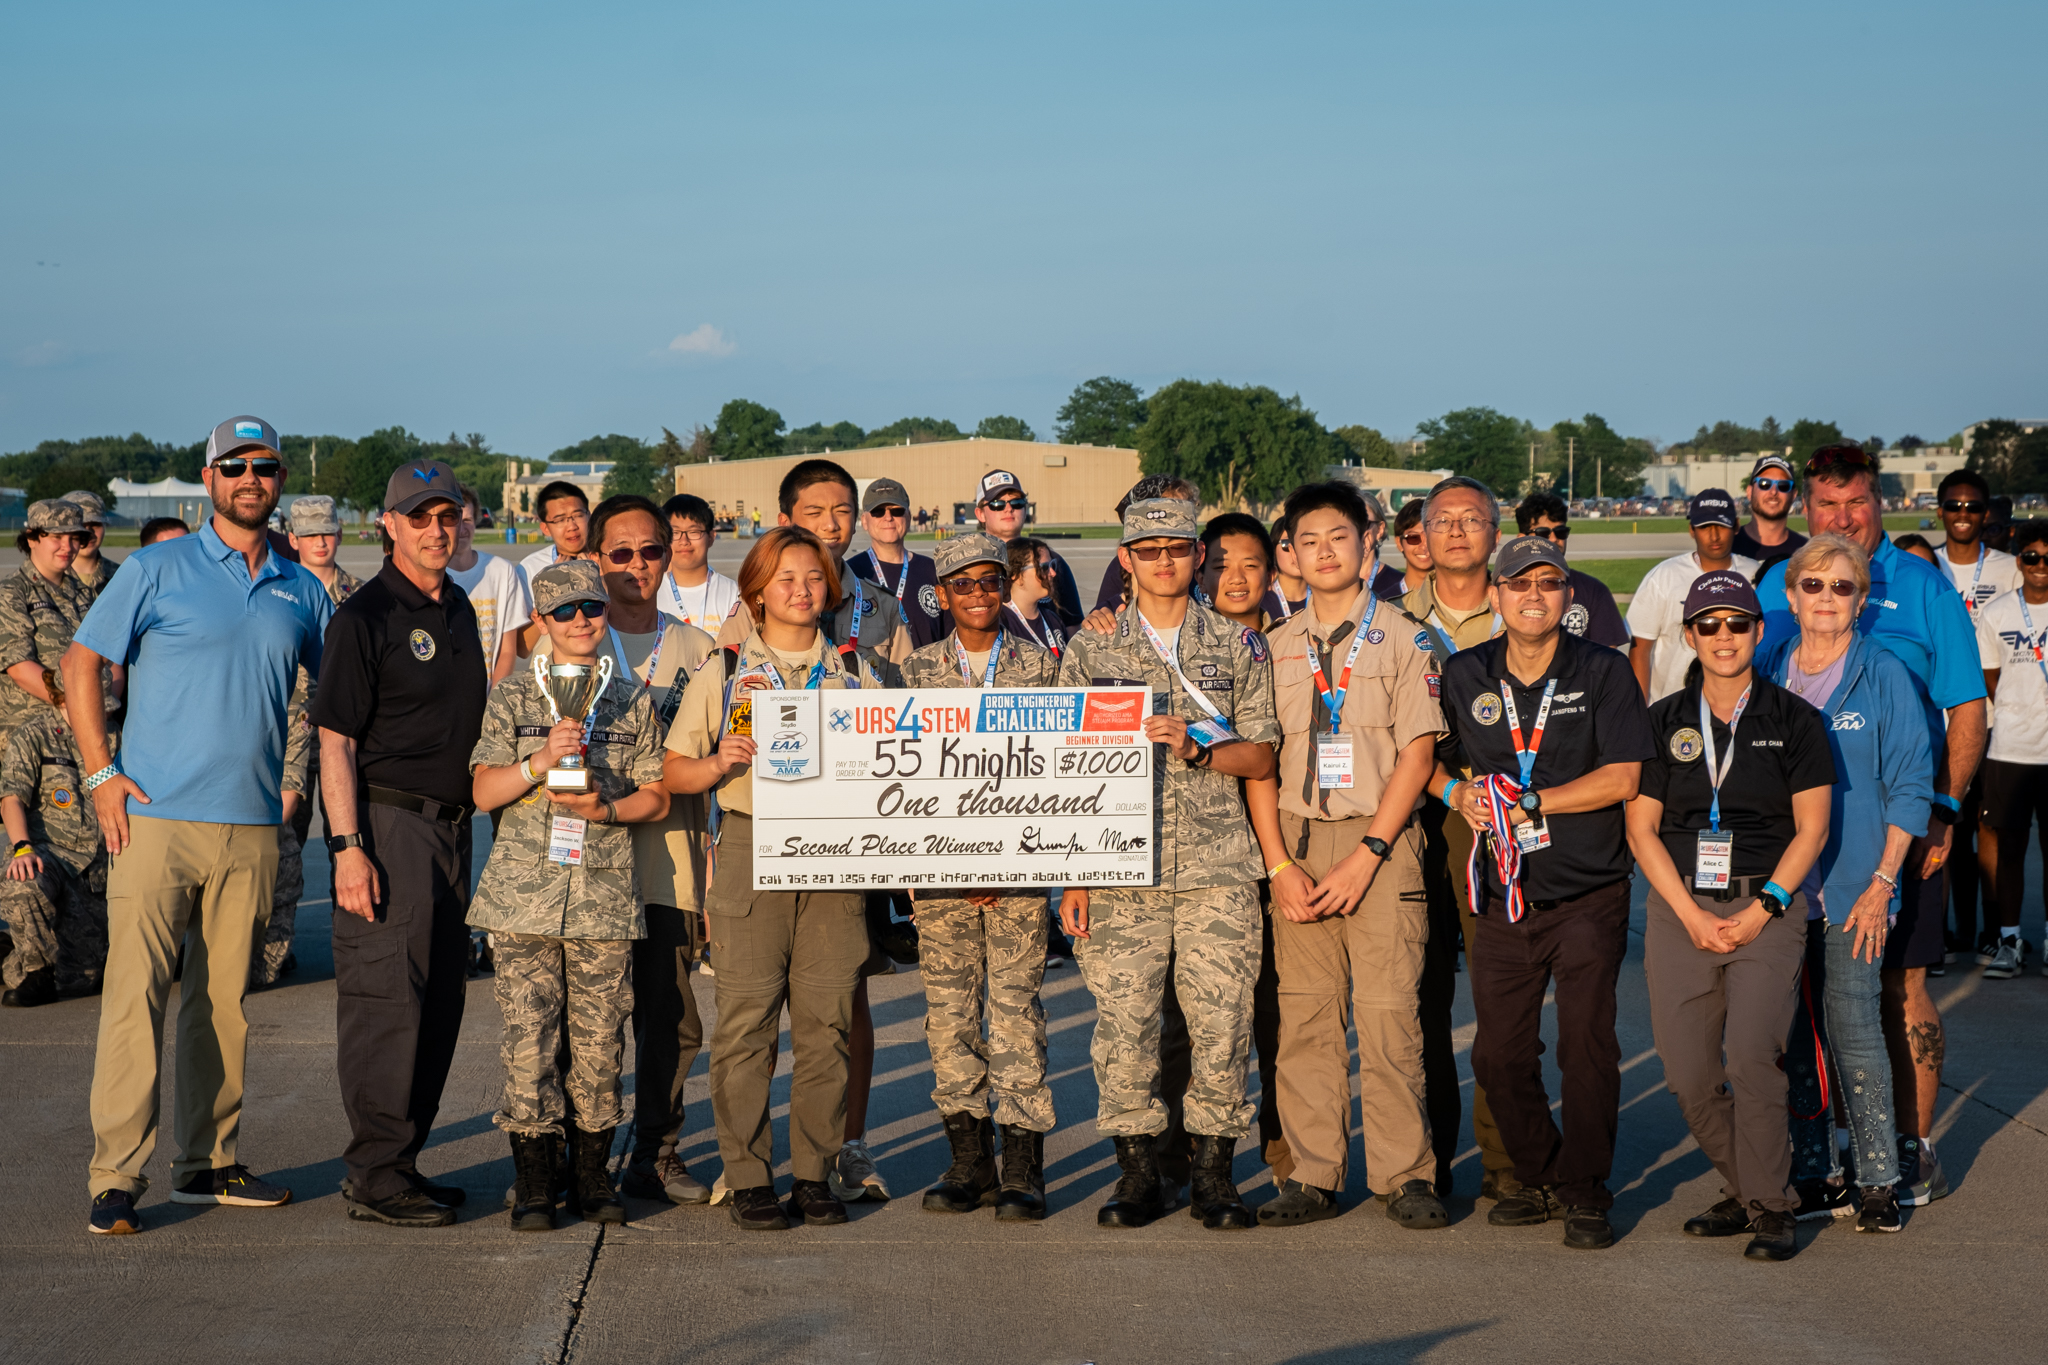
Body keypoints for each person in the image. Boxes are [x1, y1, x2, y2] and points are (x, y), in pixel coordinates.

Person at [67, 414, 332, 1237]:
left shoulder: (304, 587)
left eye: (266, 466)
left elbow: (342, 697)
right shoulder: (156, 567)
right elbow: (81, 663)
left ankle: (206, 1163)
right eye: (236, 465)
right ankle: (116, 1175)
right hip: (152, 820)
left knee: (222, 1005)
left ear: (280, 479)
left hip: (251, 826)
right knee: (135, 996)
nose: (252, 478)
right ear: (210, 475)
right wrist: (102, 773)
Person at [1755, 445, 1984, 1210]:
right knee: (1805, 1009)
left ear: (1877, 504)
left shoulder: (1920, 587)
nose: (1843, 519)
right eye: (1828, 506)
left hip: (1899, 832)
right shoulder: (1777, 598)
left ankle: (1906, 1151)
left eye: (1856, 504)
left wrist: (1943, 812)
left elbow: (1965, 710)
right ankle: (1828, 1154)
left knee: (1900, 988)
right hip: (1794, 854)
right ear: (1806, 509)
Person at [1056, 499, 1280, 1232]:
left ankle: (1215, 1173)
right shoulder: (1091, 647)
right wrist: (1076, 874)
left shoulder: (1239, 644)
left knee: (1222, 1025)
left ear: (1198, 556)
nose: (1163, 561)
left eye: (1177, 548)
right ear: (1125, 557)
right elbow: (1067, 765)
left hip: (1218, 869)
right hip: (1122, 871)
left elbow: (1264, 752)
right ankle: (1137, 1173)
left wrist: (1197, 747)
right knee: (1125, 1027)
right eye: (1146, 549)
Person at [1431, 534, 1655, 1250]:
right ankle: (1540, 1170)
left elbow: (1624, 777)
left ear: (1567, 596)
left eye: (1549, 585)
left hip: (1588, 891)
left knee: (1585, 1047)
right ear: (1495, 595)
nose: (1534, 596)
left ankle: (1586, 1190)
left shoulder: (1604, 671)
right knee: (1498, 1054)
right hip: (1501, 893)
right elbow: (1429, 763)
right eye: (1519, 584)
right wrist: (1459, 791)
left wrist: (1532, 801)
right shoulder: (1464, 672)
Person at [664, 526, 890, 1232]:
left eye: (815, 578)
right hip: (751, 851)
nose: (801, 589)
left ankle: (815, 1174)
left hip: (834, 856)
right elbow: (674, 769)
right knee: (746, 1028)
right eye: (785, 578)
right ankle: (749, 1175)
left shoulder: (858, 671)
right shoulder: (725, 668)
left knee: (826, 1026)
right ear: (756, 592)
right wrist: (716, 764)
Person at [1251, 483, 1448, 1230]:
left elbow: (1419, 749)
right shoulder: (1271, 648)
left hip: (1382, 840)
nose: (1325, 551)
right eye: (1309, 539)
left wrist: (1369, 851)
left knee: (1391, 1014)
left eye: (1340, 535)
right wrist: (1278, 864)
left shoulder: (1405, 637)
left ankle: (1405, 1173)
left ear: (1370, 543)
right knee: (1304, 1017)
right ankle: (1311, 1172)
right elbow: (1261, 762)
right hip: (1297, 844)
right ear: (1290, 554)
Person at [1628, 570, 1834, 1262]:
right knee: (1687, 1072)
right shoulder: (1661, 721)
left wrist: (1764, 908)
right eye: (1708, 625)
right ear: (1688, 635)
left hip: (1766, 908)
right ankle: (1752, 1185)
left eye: (1737, 623)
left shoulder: (1795, 719)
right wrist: (1687, 912)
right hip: (1679, 908)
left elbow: (1811, 829)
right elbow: (1642, 828)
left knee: (1751, 1057)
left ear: (1758, 631)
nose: (1724, 637)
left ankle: (1772, 1208)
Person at [468, 560, 671, 1231]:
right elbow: (481, 791)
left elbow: (658, 792)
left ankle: (591, 1176)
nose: (582, 620)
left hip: (603, 895)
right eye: (565, 611)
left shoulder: (630, 698)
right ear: (543, 622)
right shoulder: (513, 697)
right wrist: (535, 765)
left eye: (592, 607)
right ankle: (532, 1182)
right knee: (529, 1041)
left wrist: (607, 811)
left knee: (599, 1042)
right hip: (523, 899)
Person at [313, 459, 489, 1229]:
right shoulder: (365, 617)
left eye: (446, 514)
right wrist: (349, 847)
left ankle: (404, 1160)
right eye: (419, 516)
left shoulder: (459, 610)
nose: (436, 529)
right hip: (388, 829)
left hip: (454, 830)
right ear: (388, 524)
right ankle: (375, 1173)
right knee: (388, 1003)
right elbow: (334, 742)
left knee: (441, 1002)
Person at [1760, 533, 1928, 1234]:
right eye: (1814, 585)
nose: (1827, 599)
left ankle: (1879, 1176)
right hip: (1784, 888)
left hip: (1856, 886)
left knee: (1855, 1028)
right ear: (1792, 594)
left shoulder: (1884, 672)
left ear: (1862, 599)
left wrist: (1883, 882)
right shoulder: (1769, 666)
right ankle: (1811, 1170)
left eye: (1843, 587)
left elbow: (1911, 784)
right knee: (1792, 1037)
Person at [900, 532, 1061, 1220]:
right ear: (942, 595)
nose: (977, 596)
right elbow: (898, 776)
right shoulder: (915, 673)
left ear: (1004, 586)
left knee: (1017, 1016)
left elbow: (1061, 773)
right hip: (939, 882)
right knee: (949, 1019)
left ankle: (1023, 1165)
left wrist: (1017, 861)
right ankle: (970, 1160)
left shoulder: (1042, 667)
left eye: (990, 583)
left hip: (1019, 878)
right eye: (962, 585)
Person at [573, 495, 720, 1208]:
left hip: (669, 863)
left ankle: (657, 1152)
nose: (636, 565)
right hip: (585, 867)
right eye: (620, 553)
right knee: (586, 1020)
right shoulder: (569, 641)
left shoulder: (699, 651)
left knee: (671, 1019)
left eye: (650, 551)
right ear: (595, 558)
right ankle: (581, 1156)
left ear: (673, 553)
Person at [1398, 475, 1515, 1199]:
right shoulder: (1393, 618)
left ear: (1493, 533)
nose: (1458, 532)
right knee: (1423, 996)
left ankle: (1507, 1164)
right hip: (1421, 813)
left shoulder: (1526, 609)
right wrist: (1446, 787)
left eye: (1473, 520)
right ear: (1422, 535)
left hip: (1508, 815)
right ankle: (1431, 1160)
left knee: (1504, 1000)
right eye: (1444, 521)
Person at [1929, 470, 2014, 966]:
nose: (1964, 515)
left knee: (1988, 829)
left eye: (1973, 507)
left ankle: (1987, 927)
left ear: (1987, 514)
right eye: (1954, 506)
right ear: (1939, 510)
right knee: (1947, 826)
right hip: (1942, 720)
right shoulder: (1926, 565)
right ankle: (1943, 931)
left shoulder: (2007, 567)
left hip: (1996, 721)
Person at [0, 668, 111, 1008]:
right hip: (53, 858)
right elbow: (11, 798)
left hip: (99, 871)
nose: (104, 712)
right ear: (69, 699)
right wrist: (22, 848)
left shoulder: (118, 736)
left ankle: (11, 952)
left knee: (82, 979)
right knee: (23, 880)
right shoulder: (34, 735)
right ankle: (35, 971)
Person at [1971, 521, 2048, 979]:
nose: (2041, 567)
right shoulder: (1997, 612)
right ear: (2020, 562)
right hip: (2010, 750)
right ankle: (2009, 938)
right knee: (2011, 850)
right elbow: (1991, 680)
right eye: (2033, 557)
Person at [0, 500, 115, 757]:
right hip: (33, 741)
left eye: (75, 538)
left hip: (91, 732)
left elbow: (112, 655)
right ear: (31, 539)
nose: (68, 546)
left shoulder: (86, 594)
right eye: (56, 537)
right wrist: (78, 706)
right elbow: (19, 667)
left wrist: (107, 707)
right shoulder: (12, 593)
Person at [1627, 489, 1761, 702]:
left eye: (1722, 526)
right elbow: (1640, 649)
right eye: (1705, 527)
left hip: (1739, 706)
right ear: (1691, 529)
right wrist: (1639, 713)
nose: (1714, 535)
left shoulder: (1755, 574)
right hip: (1671, 708)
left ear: (1735, 526)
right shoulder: (1664, 576)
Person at [1513, 491, 1629, 649]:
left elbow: (1606, 663)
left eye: (1560, 532)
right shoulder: (1507, 589)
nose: (1554, 539)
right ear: (1522, 539)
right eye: (1544, 533)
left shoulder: (1594, 591)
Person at [974, 469, 1082, 629]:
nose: (1008, 509)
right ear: (980, 514)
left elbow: (1072, 623)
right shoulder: (971, 564)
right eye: (997, 504)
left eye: (1017, 503)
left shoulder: (1052, 562)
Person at [848, 476, 948, 648]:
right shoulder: (850, 573)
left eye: (897, 511)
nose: (888, 518)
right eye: (878, 512)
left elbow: (950, 636)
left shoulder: (934, 570)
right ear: (864, 521)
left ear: (908, 518)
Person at [447, 484, 530, 684]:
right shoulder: (432, 575)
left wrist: (494, 702)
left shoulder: (501, 571)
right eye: (454, 520)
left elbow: (508, 650)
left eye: (467, 520)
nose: (462, 529)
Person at [1093, 475, 1203, 616]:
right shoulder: (1121, 566)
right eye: (1149, 551)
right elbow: (1102, 613)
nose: (1165, 560)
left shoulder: (1196, 558)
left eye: (1188, 506)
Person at [517, 481, 591, 652]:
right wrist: (555, 588)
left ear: (589, 516)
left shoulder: (609, 559)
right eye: (559, 520)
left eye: (578, 515)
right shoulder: (530, 568)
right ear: (545, 528)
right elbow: (523, 647)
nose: (572, 526)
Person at [658, 494, 741, 635]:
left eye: (694, 532)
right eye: (675, 532)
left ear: (711, 538)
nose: (684, 541)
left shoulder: (734, 594)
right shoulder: (652, 595)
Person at [1730, 454, 1808, 566]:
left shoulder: (1806, 552)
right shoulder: (1728, 547)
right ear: (1749, 492)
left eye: (1783, 486)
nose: (1773, 492)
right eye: (1764, 484)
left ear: (1793, 495)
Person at [1003, 536, 1067, 659]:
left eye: (1052, 565)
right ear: (1015, 574)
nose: (1053, 573)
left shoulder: (1053, 619)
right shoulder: (1001, 624)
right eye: (1043, 568)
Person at [60, 491, 118, 599]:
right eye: (81, 525)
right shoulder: (48, 578)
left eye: (95, 525)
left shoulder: (120, 576)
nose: (89, 532)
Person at [1357, 491, 1408, 600]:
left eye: (1363, 524)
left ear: (1379, 530)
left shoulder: (1400, 585)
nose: (1357, 532)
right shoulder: (1327, 583)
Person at [1265, 517, 1307, 621]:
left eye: (1306, 543)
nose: (1295, 551)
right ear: (1273, 550)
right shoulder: (1259, 604)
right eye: (1287, 543)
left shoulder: (1328, 599)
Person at [1392, 499, 1432, 595]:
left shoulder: (1461, 600)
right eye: (1414, 537)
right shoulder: (1382, 603)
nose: (1424, 546)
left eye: (1430, 537)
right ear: (1399, 543)